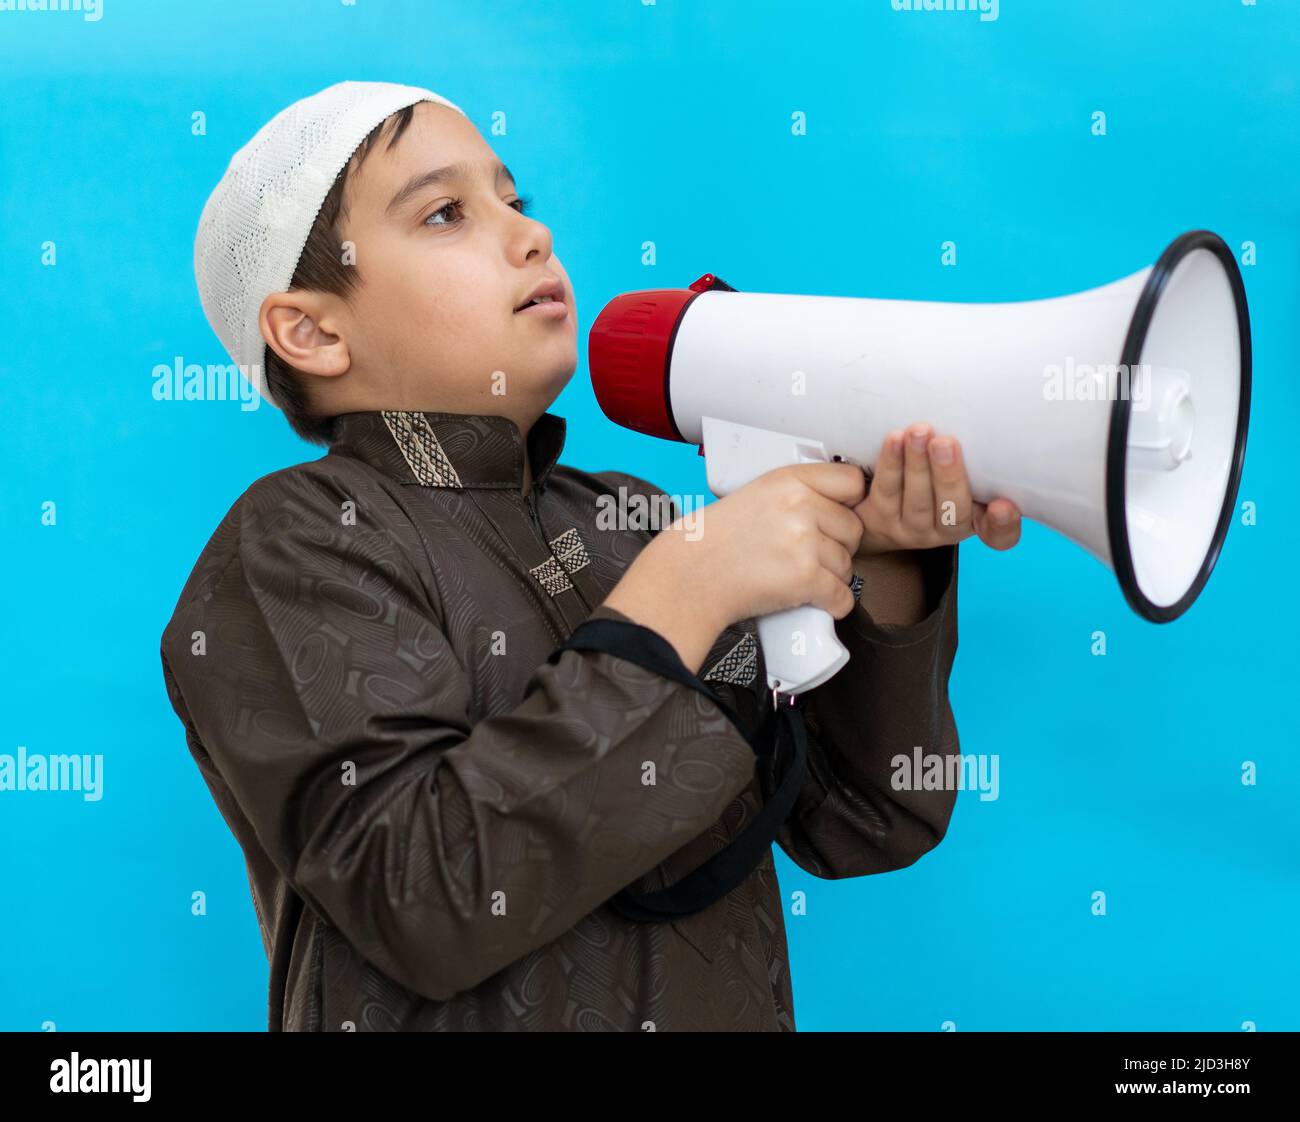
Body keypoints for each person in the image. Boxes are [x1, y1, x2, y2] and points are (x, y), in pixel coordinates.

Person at [160, 80, 1022, 1032]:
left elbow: (866, 818)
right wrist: (678, 606)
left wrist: (889, 568)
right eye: (447, 213)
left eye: (516, 200)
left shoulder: (631, 519)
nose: (531, 236)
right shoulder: (297, 542)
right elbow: (423, 896)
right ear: (313, 331)